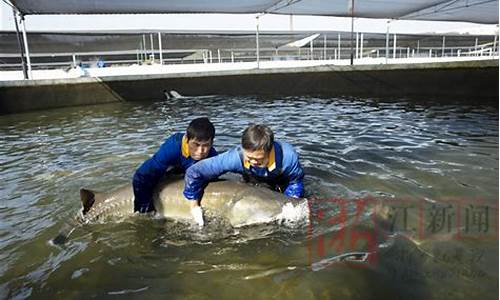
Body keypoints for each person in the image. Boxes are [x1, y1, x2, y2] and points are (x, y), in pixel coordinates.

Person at [183, 124, 304, 226]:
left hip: (280, 181)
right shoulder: (234, 157)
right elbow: (194, 172)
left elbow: (295, 181)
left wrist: (290, 204)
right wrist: (194, 206)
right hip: (252, 181)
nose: (253, 162)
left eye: (259, 159)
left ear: (270, 150)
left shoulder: (288, 157)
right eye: (249, 158)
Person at [133, 117, 217, 222]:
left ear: (212, 143)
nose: (200, 151)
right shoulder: (171, 149)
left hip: (188, 169)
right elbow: (141, 176)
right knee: (146, 180)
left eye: (206, 145)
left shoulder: (212, 156)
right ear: (187, 140)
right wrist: (147, 210)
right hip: (173, 164)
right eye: (196, 144)